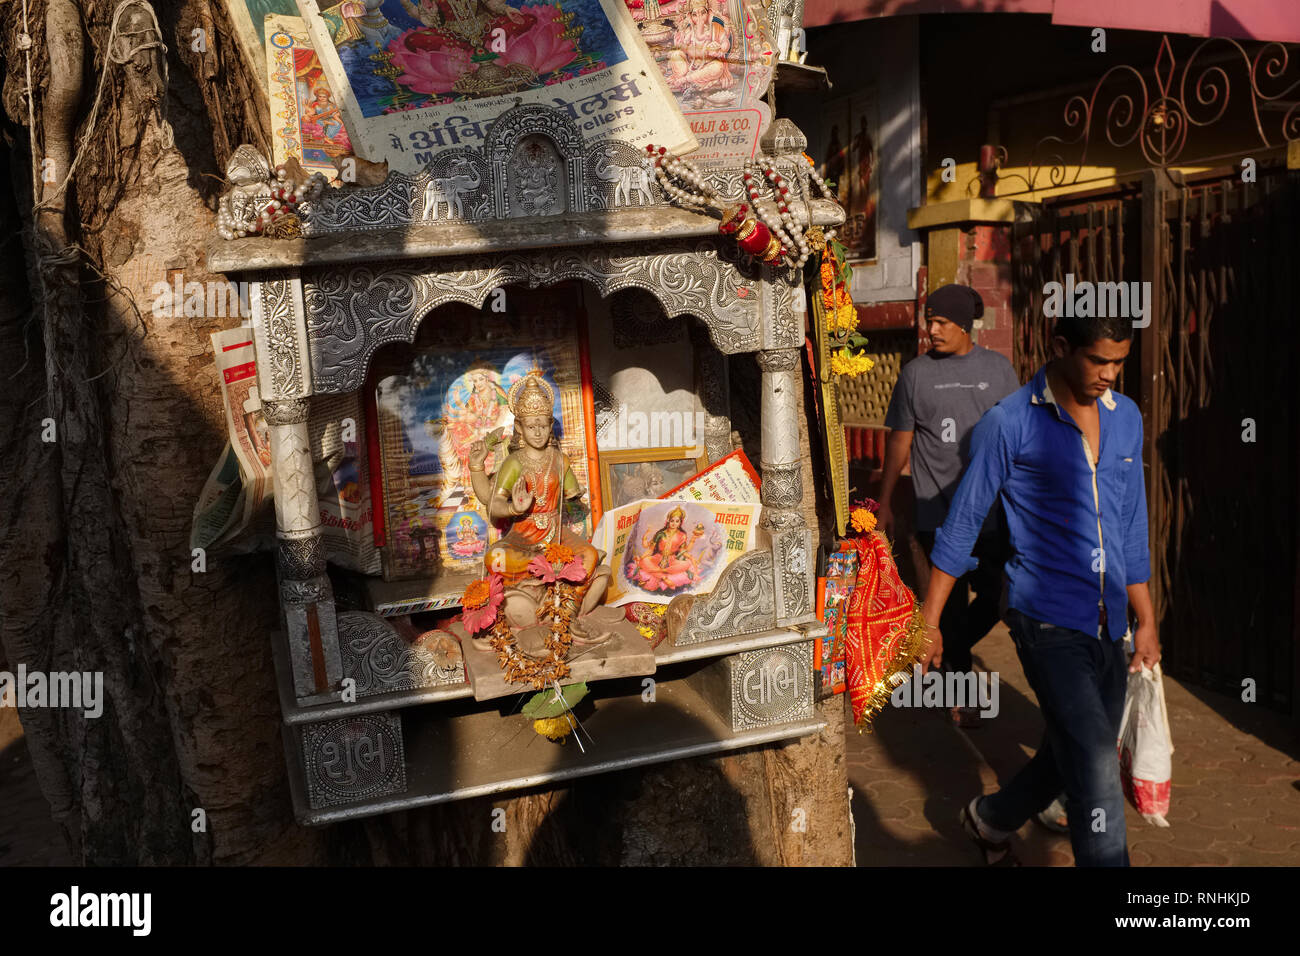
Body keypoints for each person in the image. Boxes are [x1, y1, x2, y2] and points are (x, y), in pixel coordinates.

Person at [920, 310, 1160, 867]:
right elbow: (962, 522)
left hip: (1111, 620)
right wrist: (929, 624)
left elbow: (1130, 522)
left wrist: (1145, 619)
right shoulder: (1009, 424)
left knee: (1068, 752)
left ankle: (990, 819)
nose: (1109, 375)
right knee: (1096, 758)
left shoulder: (1125, 417)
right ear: (1059, 347)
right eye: (1098, 360)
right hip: (1045, 617)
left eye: (1119, 363)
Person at [879, 284, 1019, 725]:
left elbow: (1016, 437)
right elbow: (900, 440)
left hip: (992, 511)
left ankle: (940, 646)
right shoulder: (915, 374)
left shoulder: (999, 370)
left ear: (963, 325)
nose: (932, 330)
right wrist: (884, 500)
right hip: (935, 509)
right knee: (949, 601)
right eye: (929, 321)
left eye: (941, 323)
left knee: (1000, 594)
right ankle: (958, 694)